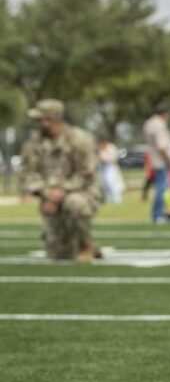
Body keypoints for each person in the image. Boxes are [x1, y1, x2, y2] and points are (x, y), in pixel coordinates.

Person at [18, 99, 102, 262]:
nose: (39, 123)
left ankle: (86, 245)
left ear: (53, 118)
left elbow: (86, 173)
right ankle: (76, 245)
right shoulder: (33, 144)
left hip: (82, 193)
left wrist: (61, 191)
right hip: (49, 197)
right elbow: (28, 175)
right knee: (59, 256)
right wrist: (46, 193)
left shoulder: (80, 139)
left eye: (42, 119)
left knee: (74, 203)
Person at [142, 105, 170, 224]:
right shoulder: (159, 124)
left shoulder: (148, 123)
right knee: (162, 188)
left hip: (153, 159)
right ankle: (158, 215)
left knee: (159, 187)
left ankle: (157, 214)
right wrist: (169, 160)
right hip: (160, 160)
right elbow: (162, 146)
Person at [97, 137, 125, 204]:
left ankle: (117, 199)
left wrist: (104, 159)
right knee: (104, 184)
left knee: (112, 183)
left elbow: (114, 157)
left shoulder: (111, 147)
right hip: (103, 168)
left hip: (111, 167)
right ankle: (108, 199)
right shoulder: (100, 148)